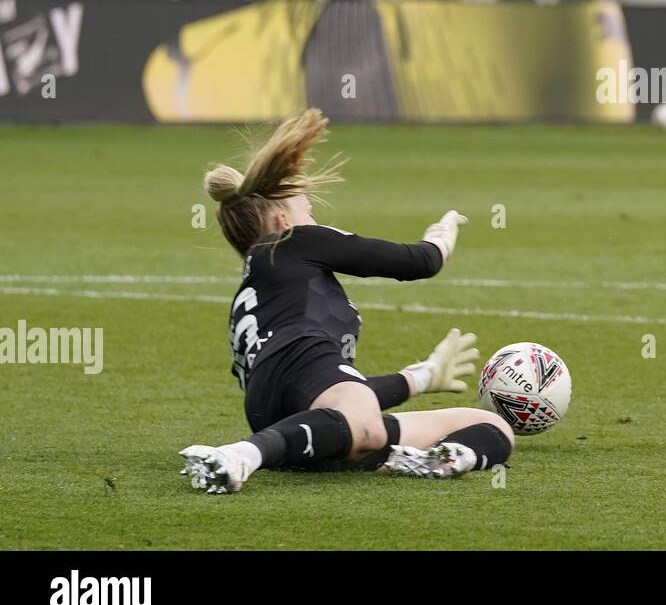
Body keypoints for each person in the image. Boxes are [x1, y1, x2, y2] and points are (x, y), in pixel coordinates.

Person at [180, 108, 514, 494]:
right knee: (365, 425)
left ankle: (441, 459)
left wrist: (419, 377)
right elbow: (417, 262)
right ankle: (240, 456)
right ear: (282, 220)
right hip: (310, 383)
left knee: (493, 427)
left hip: (289, 417)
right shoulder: (293, 241)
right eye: (307, 208)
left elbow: (324, 389)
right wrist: (440, 239)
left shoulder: (259, 293)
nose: (314, 215)